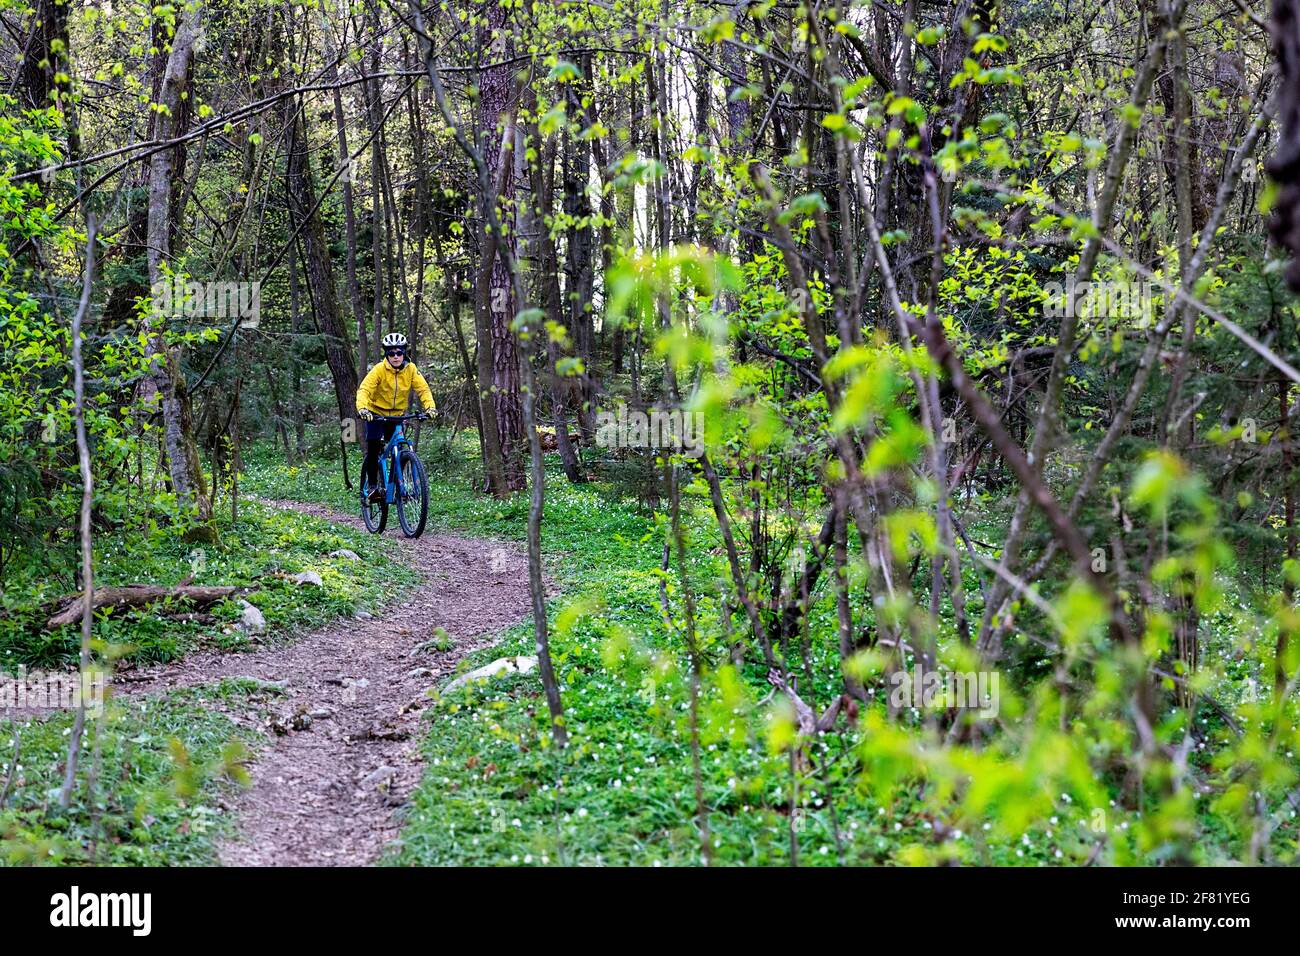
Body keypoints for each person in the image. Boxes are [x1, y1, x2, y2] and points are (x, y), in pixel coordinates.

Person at [355, 332, 436, 502]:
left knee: (399, 449)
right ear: (387, 355)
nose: (396, 357)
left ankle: (399, 484)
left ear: (404, 353)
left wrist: (430, 408)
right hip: (376, 414)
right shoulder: (379, 370)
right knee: (374, 447)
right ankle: (372, 486)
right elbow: (364, 390)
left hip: (397, 416)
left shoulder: (411, 370)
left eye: (399, 353)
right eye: (391, 353)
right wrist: (363, 409)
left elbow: (423, 389)